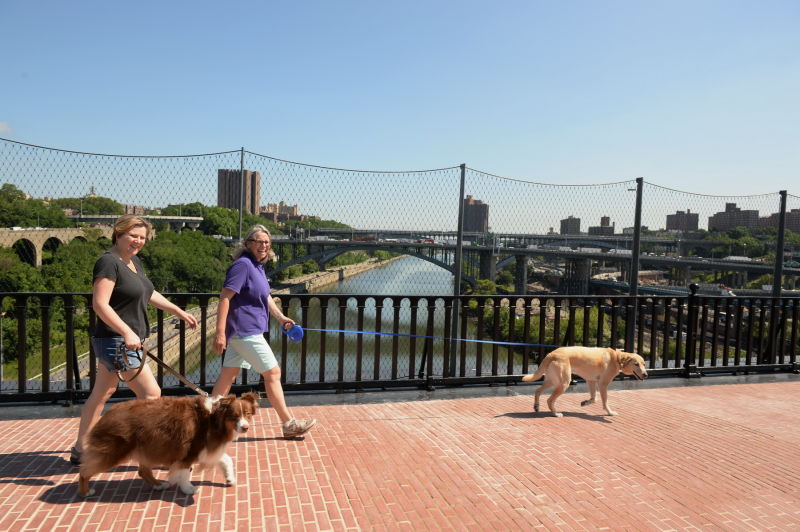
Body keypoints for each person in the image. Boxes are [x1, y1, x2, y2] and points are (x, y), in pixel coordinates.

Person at [70, 215, 199, 465]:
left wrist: (178, 311)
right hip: (118, 341)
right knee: (151, 395)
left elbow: (148, 293)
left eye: (142, 237)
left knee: (101, 394)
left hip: (118, 340)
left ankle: (80, 449)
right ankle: (150, 451)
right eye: (133, 236)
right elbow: (100, 304)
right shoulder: (108, 262)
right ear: (118, 234)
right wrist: (127, 332)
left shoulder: (132, 262)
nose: (138, 241)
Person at [211, 225, 316, 439]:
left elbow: (265, 297)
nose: (263, 246)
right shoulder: (242, 265)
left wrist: (281, 318)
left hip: (246, 331)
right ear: (248, 244)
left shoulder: (257, 267)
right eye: (258, 241)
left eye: (266, 242)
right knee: (273, 373)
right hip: (245, 330)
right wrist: (219, 332)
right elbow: (224, 297)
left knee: (227, 376)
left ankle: (209, 422)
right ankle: (288, 424)